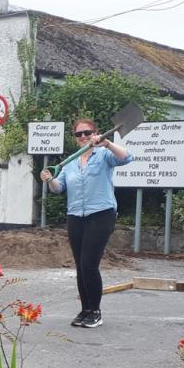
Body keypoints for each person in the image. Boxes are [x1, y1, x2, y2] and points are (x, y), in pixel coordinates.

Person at [40, 118, 133, 328]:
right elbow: (58, 188)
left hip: (101, 214)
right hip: (75, 216)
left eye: (87, 133)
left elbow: (127, 157)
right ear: (75, 138)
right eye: (79, 134)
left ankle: (96, 312)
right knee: (81, 267)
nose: (83, 137)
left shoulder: (104, 155)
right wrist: (48, 179)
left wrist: (107, 143)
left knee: (89, 264)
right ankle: (85, 310)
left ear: (95, 133)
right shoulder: (71, 162)